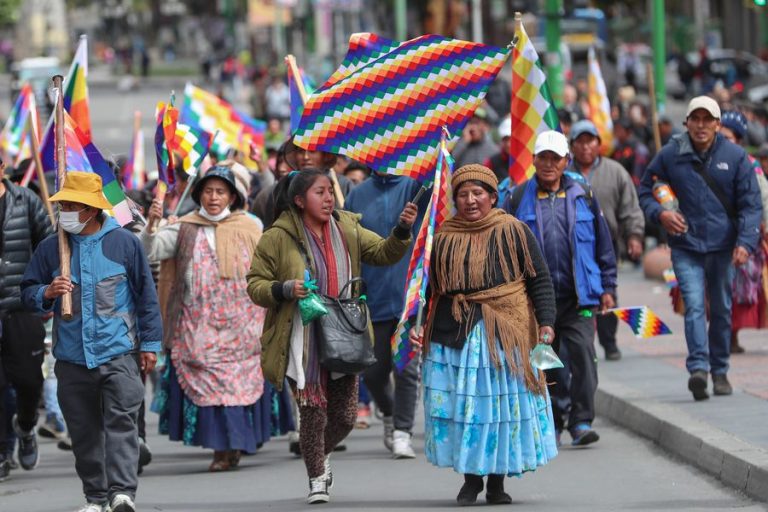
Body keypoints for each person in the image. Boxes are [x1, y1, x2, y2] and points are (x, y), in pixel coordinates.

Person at [247, 170, 416, 504]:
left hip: (344, 332)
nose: (328, 198)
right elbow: (255, 284)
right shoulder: (277, 236)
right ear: (299, 200)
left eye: (329, 191)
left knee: (345, 416)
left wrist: (402, 230)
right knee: (313, 411)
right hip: (302, 336)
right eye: (319, 192)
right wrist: (283, 288)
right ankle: (316, 479)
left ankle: (318, 455)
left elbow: (384, 253)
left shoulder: (348, 227)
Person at [411, 164, 557, 505]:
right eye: (462, 194)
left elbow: (539, 279)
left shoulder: (514, 231)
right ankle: (470, 480)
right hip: (455, 334)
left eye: (478, 193)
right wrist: (418, 321)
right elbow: (428, 289)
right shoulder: (442, 236)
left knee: (501, 408)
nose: (470, 200)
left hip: (507, 332)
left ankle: (496, 482)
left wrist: (547, 321)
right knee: (466, 410)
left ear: (493, 197)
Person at [21, 171, 161, 512]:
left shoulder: (124, 243)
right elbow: (26, 293)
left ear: (91, 209)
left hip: (119, 354)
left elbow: (146, 297)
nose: (65, 210)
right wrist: (47, 292)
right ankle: (96, 497)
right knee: (83, 433)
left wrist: (151, 345)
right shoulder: (50, 248)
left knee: (121, 425)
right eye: (63, 204)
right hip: (71, 358)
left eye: (72, 204)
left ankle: (122, 493)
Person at [141, 161, 277, 471]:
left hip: (244, 324)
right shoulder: (183, 227)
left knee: (239, 383)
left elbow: (270, 264)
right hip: (198, 322)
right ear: (200, 195)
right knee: (208, 384)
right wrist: (151, 227)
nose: (213, 197)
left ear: (232, 197)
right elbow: (150, 251)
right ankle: (221, 449)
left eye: (220, 192)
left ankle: (237, 444)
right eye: (208, 191)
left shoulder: (251, 226)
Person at [638, 97, 763, 400]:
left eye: (709, 120)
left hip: (724, 248)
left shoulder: (735, 157)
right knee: (694, 306)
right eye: (696, 119)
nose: (702, 125)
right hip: (686, 247)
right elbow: (646, 190)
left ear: (718, 125)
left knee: (721, 309)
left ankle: (719, 370)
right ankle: (698, 369)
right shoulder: (669, 155)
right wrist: (661, 215)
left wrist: (746, 243)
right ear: (687, 123)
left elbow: (751, 205)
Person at [505, 131, 617, 446]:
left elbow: (604, 246)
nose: (549, 164)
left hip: (579, 296)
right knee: (546, 361)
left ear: (566, 161)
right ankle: (552, 420)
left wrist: (608, 286)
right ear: (535, 160)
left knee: (582, 355)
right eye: (543, 157)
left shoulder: (584, 194)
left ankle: (581, 421)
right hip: (537, 301)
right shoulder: (516, 198)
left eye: (556, 158)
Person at [344, 170, 426, 459]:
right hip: (372, 298)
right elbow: (347, 241)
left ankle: (403, 432)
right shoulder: (357, 194)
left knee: (406, 368)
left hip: (409, 297)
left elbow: (437, 221)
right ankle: (389, 413)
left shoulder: (417, 186)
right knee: (373, 372)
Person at [567, 119, 645, 361]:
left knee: (607, 293)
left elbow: (630, 208)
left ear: (599, 144)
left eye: (590, 141)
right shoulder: (564, 173)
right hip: (573, 246)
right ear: (572, 146)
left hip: (606, 245)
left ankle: (609, 342)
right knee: (578, 295)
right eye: (580, 142)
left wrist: (634, 236)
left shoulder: (616, 171)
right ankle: (582, 344)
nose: (585, 147)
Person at [0, 158, 53, 480]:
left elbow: (48, 245)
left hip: (22, 304)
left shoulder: (25, 199)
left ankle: (27, 424)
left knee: (29, 381)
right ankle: (4, 450)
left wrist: (46, 290)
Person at [718, 111, 768, 354]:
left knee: (739, 288)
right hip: (711, 235)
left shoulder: (751, 166)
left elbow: (764, 199)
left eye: (729, 137)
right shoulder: (697, 160)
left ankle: (731, 335)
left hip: (743, 237)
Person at [485, 115, 511, 182]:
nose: (508, 144)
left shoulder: (526, 160)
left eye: (511, 140)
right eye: (505, 140)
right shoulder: (491, 162)